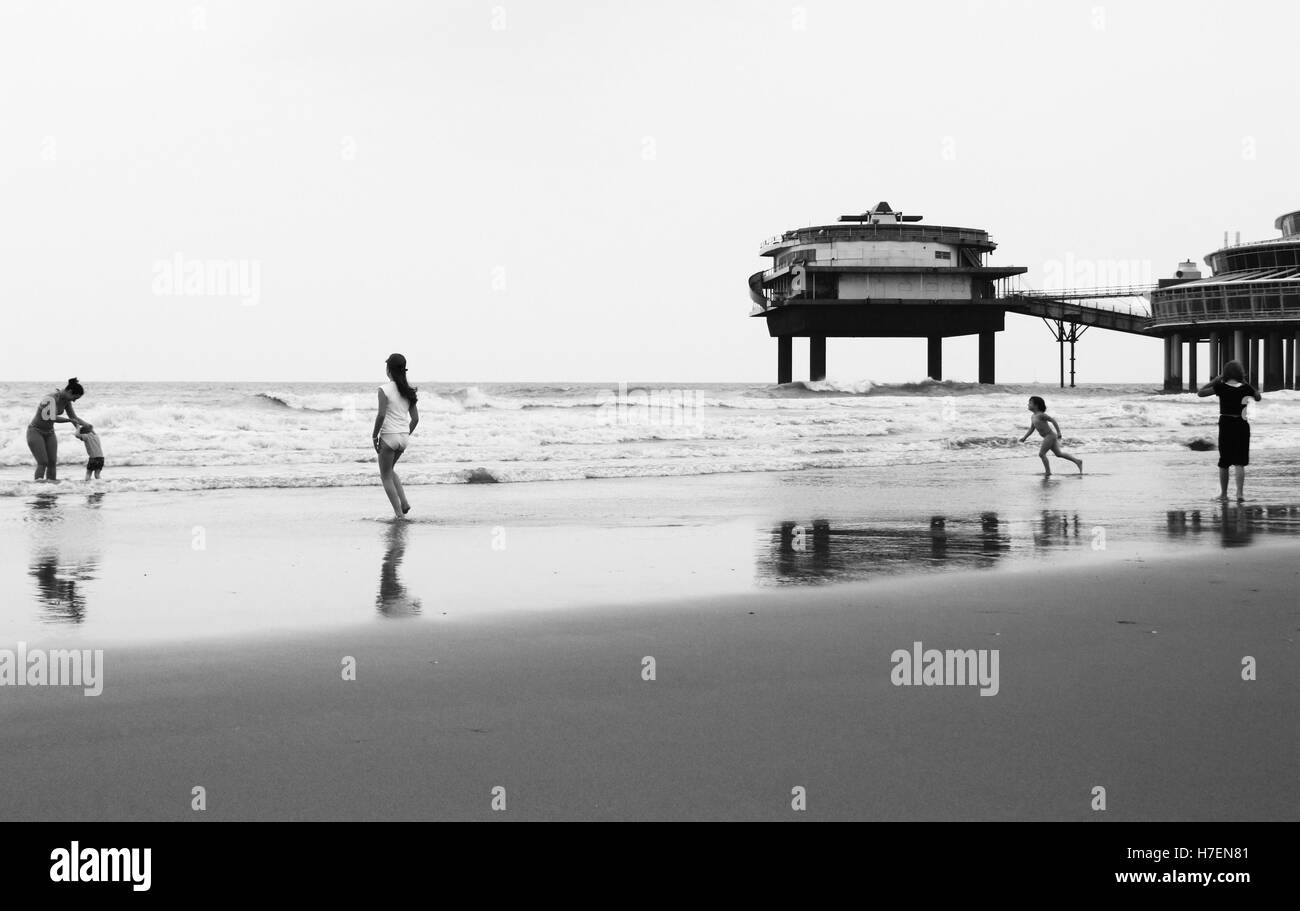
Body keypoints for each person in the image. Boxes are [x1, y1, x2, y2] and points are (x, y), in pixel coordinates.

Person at [1197, 359, 1260, 501]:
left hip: (1226, 423)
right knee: (1240, 462)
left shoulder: (1221, 387)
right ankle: (1239, 494)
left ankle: (1224, 494)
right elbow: (1258, 397)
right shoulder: (1245, 388)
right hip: (1242, 423)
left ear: (1225, 374)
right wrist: (1245, 382)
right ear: (1240, 374)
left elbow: (1200, 393)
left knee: (1224, 461)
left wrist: (1215, 381)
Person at [372, 353, 420, 519]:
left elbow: (381, 415)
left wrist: (374, 436)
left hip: (389, 437)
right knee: (390, 470)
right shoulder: (409, 391)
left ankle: (399, 515)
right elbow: (415, 419)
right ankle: (404, 503)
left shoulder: (384, 389)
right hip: (403, 438)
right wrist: (405, 433)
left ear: (389, 370)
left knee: (385, 476)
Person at [26, 378, 87, 481]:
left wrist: (87, 425)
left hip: (49, 433)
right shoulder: (51, 398)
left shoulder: (66, 400)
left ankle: (51, 489)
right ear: (70, 392)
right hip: (35, 431)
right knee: (43, 462)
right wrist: (69, 420)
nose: (74, 401)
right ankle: (38, 489)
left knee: (52, 462)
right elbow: (52, 418)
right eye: (74, 398)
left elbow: (74, 417)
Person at [1019, 395, 1083, 476]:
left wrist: (1059, 432)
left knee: (1041, 454)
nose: (1028, 404)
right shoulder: (1033, 416)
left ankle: (1048, 472)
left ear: (1036, 405)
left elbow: (1053, 421)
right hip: (1048, 437)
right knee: (1059, 454)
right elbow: (1032, 428)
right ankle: (1077, 461)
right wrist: (1024, 437)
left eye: (1030, 403)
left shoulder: (1041, 415)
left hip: (1050, 436)